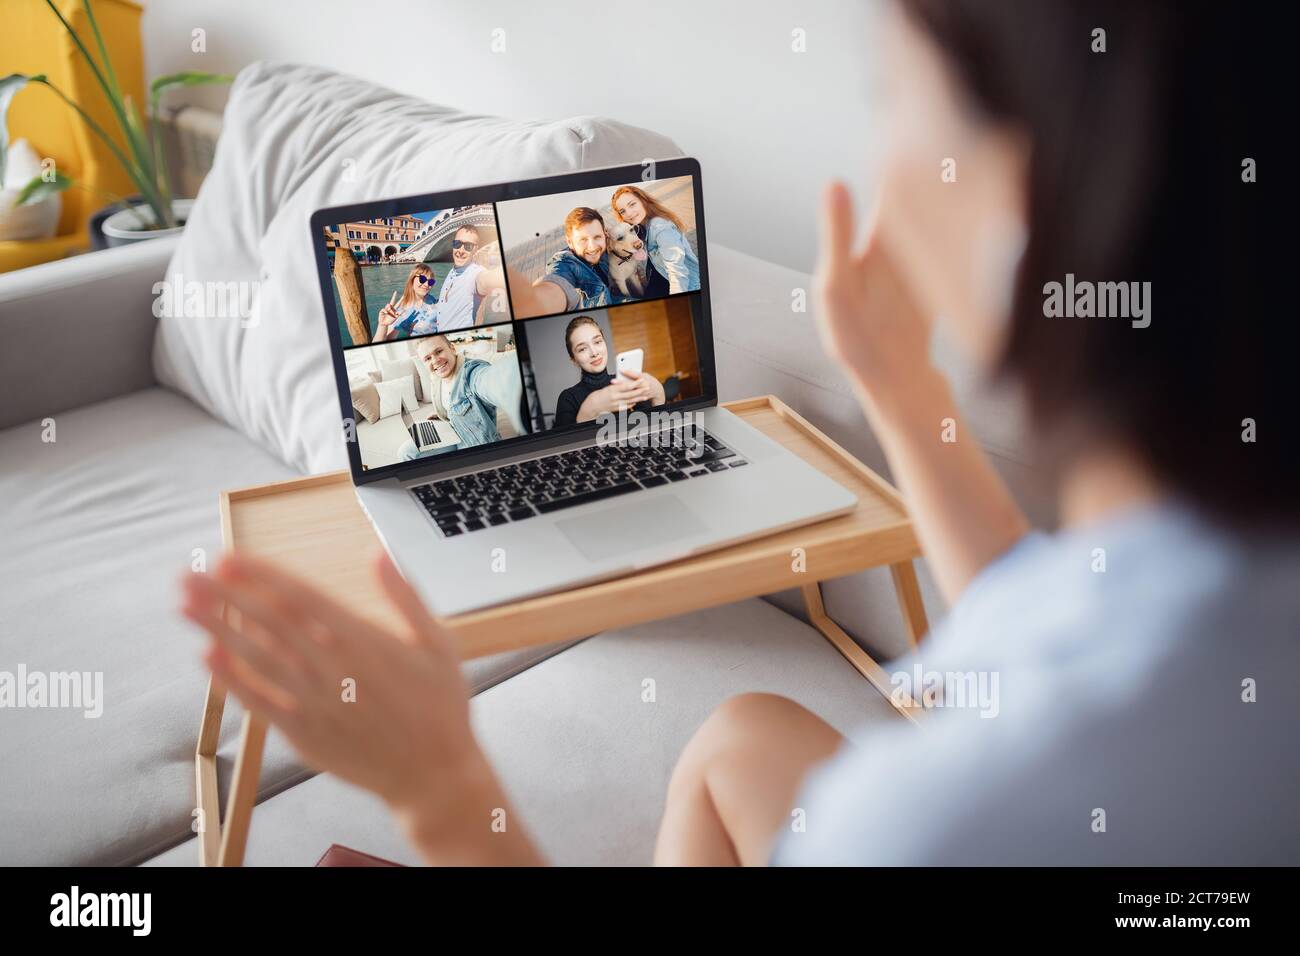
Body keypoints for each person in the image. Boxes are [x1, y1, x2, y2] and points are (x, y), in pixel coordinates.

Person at [180, 0, 1292, 867]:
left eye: (897, 99)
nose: (885, 161)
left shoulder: (928, 823)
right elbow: (1047, 604)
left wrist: (441, 790)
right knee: (741, 730)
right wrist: (896, 386)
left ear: (1034, 203)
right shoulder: (1226, 557)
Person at [394, 334, 524, 458]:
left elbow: (489, 380)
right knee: (406, 452)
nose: (435, 360)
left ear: (452, 348)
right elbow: (452, 401)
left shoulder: (471, 372)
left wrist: (515, 382)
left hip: (473, 446)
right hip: (452, 432)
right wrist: (442, 414)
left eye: (439, 351)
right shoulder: (437, 377)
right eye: (428, 358)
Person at [510, 207, 626, 318]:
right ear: (570, 242)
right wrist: (535, 301)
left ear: (605, 235)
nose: (592, 247)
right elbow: (556, 287)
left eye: (597, 237)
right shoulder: (565, 262)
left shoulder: (611, 245)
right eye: (583, 240)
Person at [552, 315, 665, 428]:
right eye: (582, 349)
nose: (594, 352)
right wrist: (588, 411)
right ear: (574, 360)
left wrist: (658, 394)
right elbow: (567, 443)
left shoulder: (625, 383)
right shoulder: (568, 398)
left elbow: (652, 427)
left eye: (597, 342)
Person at [611, 185, 700, 295]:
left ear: (643, 201)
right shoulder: (640, 226)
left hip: (687, 285)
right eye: (622, 211)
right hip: (659, 273)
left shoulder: (661, 229)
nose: (628, 213)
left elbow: (677, 273)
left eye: (632, 204)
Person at [374, 264, 440, 342]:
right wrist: (382, 325)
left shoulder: (432, 300)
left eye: (431, 282)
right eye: (422, 279)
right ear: (412, 280)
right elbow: (387, 341)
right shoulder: (402, 309)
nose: (426, 284)